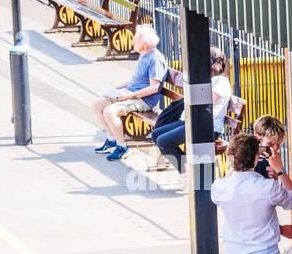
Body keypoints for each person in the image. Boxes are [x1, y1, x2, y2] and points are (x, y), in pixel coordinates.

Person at [92, 25, 168, 162]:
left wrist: (127, 96)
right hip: (131, 94)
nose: (132, 43)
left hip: (144, 100)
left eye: (135, 41)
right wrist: (116, 88)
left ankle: (122, 147)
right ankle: (111, 140)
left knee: (109, 111)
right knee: (97, 104)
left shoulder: (155, 59)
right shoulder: (144, 55)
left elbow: (154, 88)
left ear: (144, 44)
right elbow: (135, 80)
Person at [149, 46, 232, 171]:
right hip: (189, 121)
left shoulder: (221, 81)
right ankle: (187, 171)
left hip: (206, 126)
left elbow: (205, 101)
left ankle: (185, 172)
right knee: (156, 134)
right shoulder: (205, 80)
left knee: (163, 141)